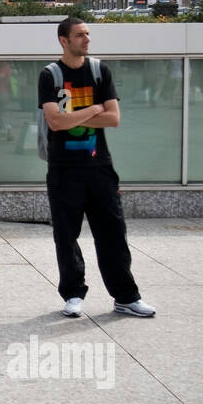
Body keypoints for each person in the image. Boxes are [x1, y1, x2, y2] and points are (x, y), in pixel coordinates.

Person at [38, 17, 156, 318]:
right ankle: (73, 295)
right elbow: (54, 121)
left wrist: (72, 118)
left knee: (113, 233)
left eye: (88, 34)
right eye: (80, 35)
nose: (87, 39)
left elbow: (114, 118)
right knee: (66, 235)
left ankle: (126, 297)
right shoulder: (50, 75)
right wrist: (92, 109)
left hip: (100, 167)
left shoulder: (99, 71)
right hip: (64, 169)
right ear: (64, 41)